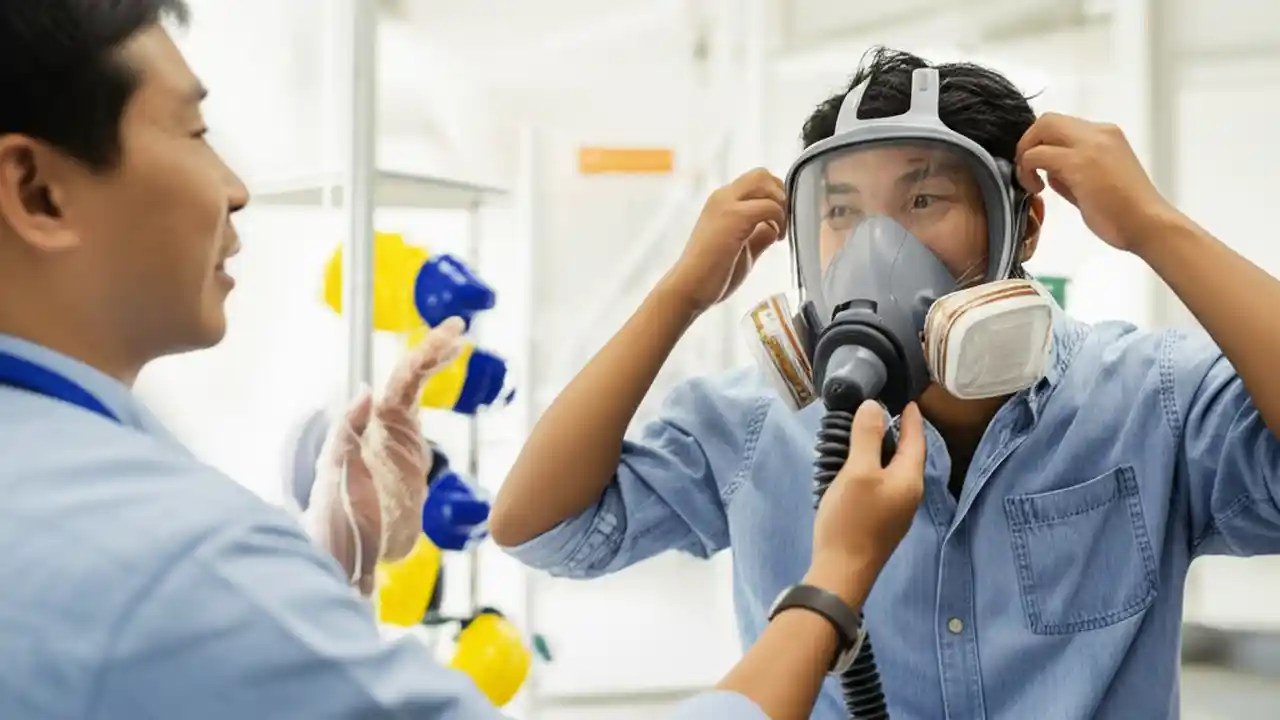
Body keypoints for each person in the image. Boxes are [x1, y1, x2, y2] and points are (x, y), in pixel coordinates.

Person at [0, 4, 926, 719]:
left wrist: (325, 583)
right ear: (37, 190)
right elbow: (537, 527)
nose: (236, 188)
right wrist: (832, 580)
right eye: (197, 132)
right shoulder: (180, 557)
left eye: (926, 202)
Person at [492, 46, 1280, 718]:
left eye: (923, 197)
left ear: (1024, 225)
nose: (874, 244)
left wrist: (1154, 227)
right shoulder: (759, 423)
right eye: (840, 211)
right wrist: (679, 295)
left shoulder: (1150, 399)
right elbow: (540, 528)